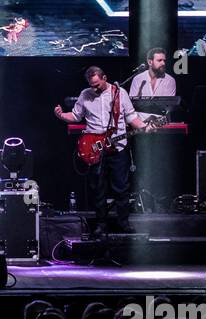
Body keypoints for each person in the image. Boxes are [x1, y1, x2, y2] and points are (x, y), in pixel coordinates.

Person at [53, 66, 155, 232]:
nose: (94, 88)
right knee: (98, 188)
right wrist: (62, 115)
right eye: (91, 85)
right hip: (95, 148)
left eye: (97, 84)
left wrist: (144, 127)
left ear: (105, 78)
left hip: (118, 148)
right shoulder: (85, 94)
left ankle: (124, 223)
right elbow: (76, 115)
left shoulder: (119, 93)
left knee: (121, 188)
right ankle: (101, 224)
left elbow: (131, 117)